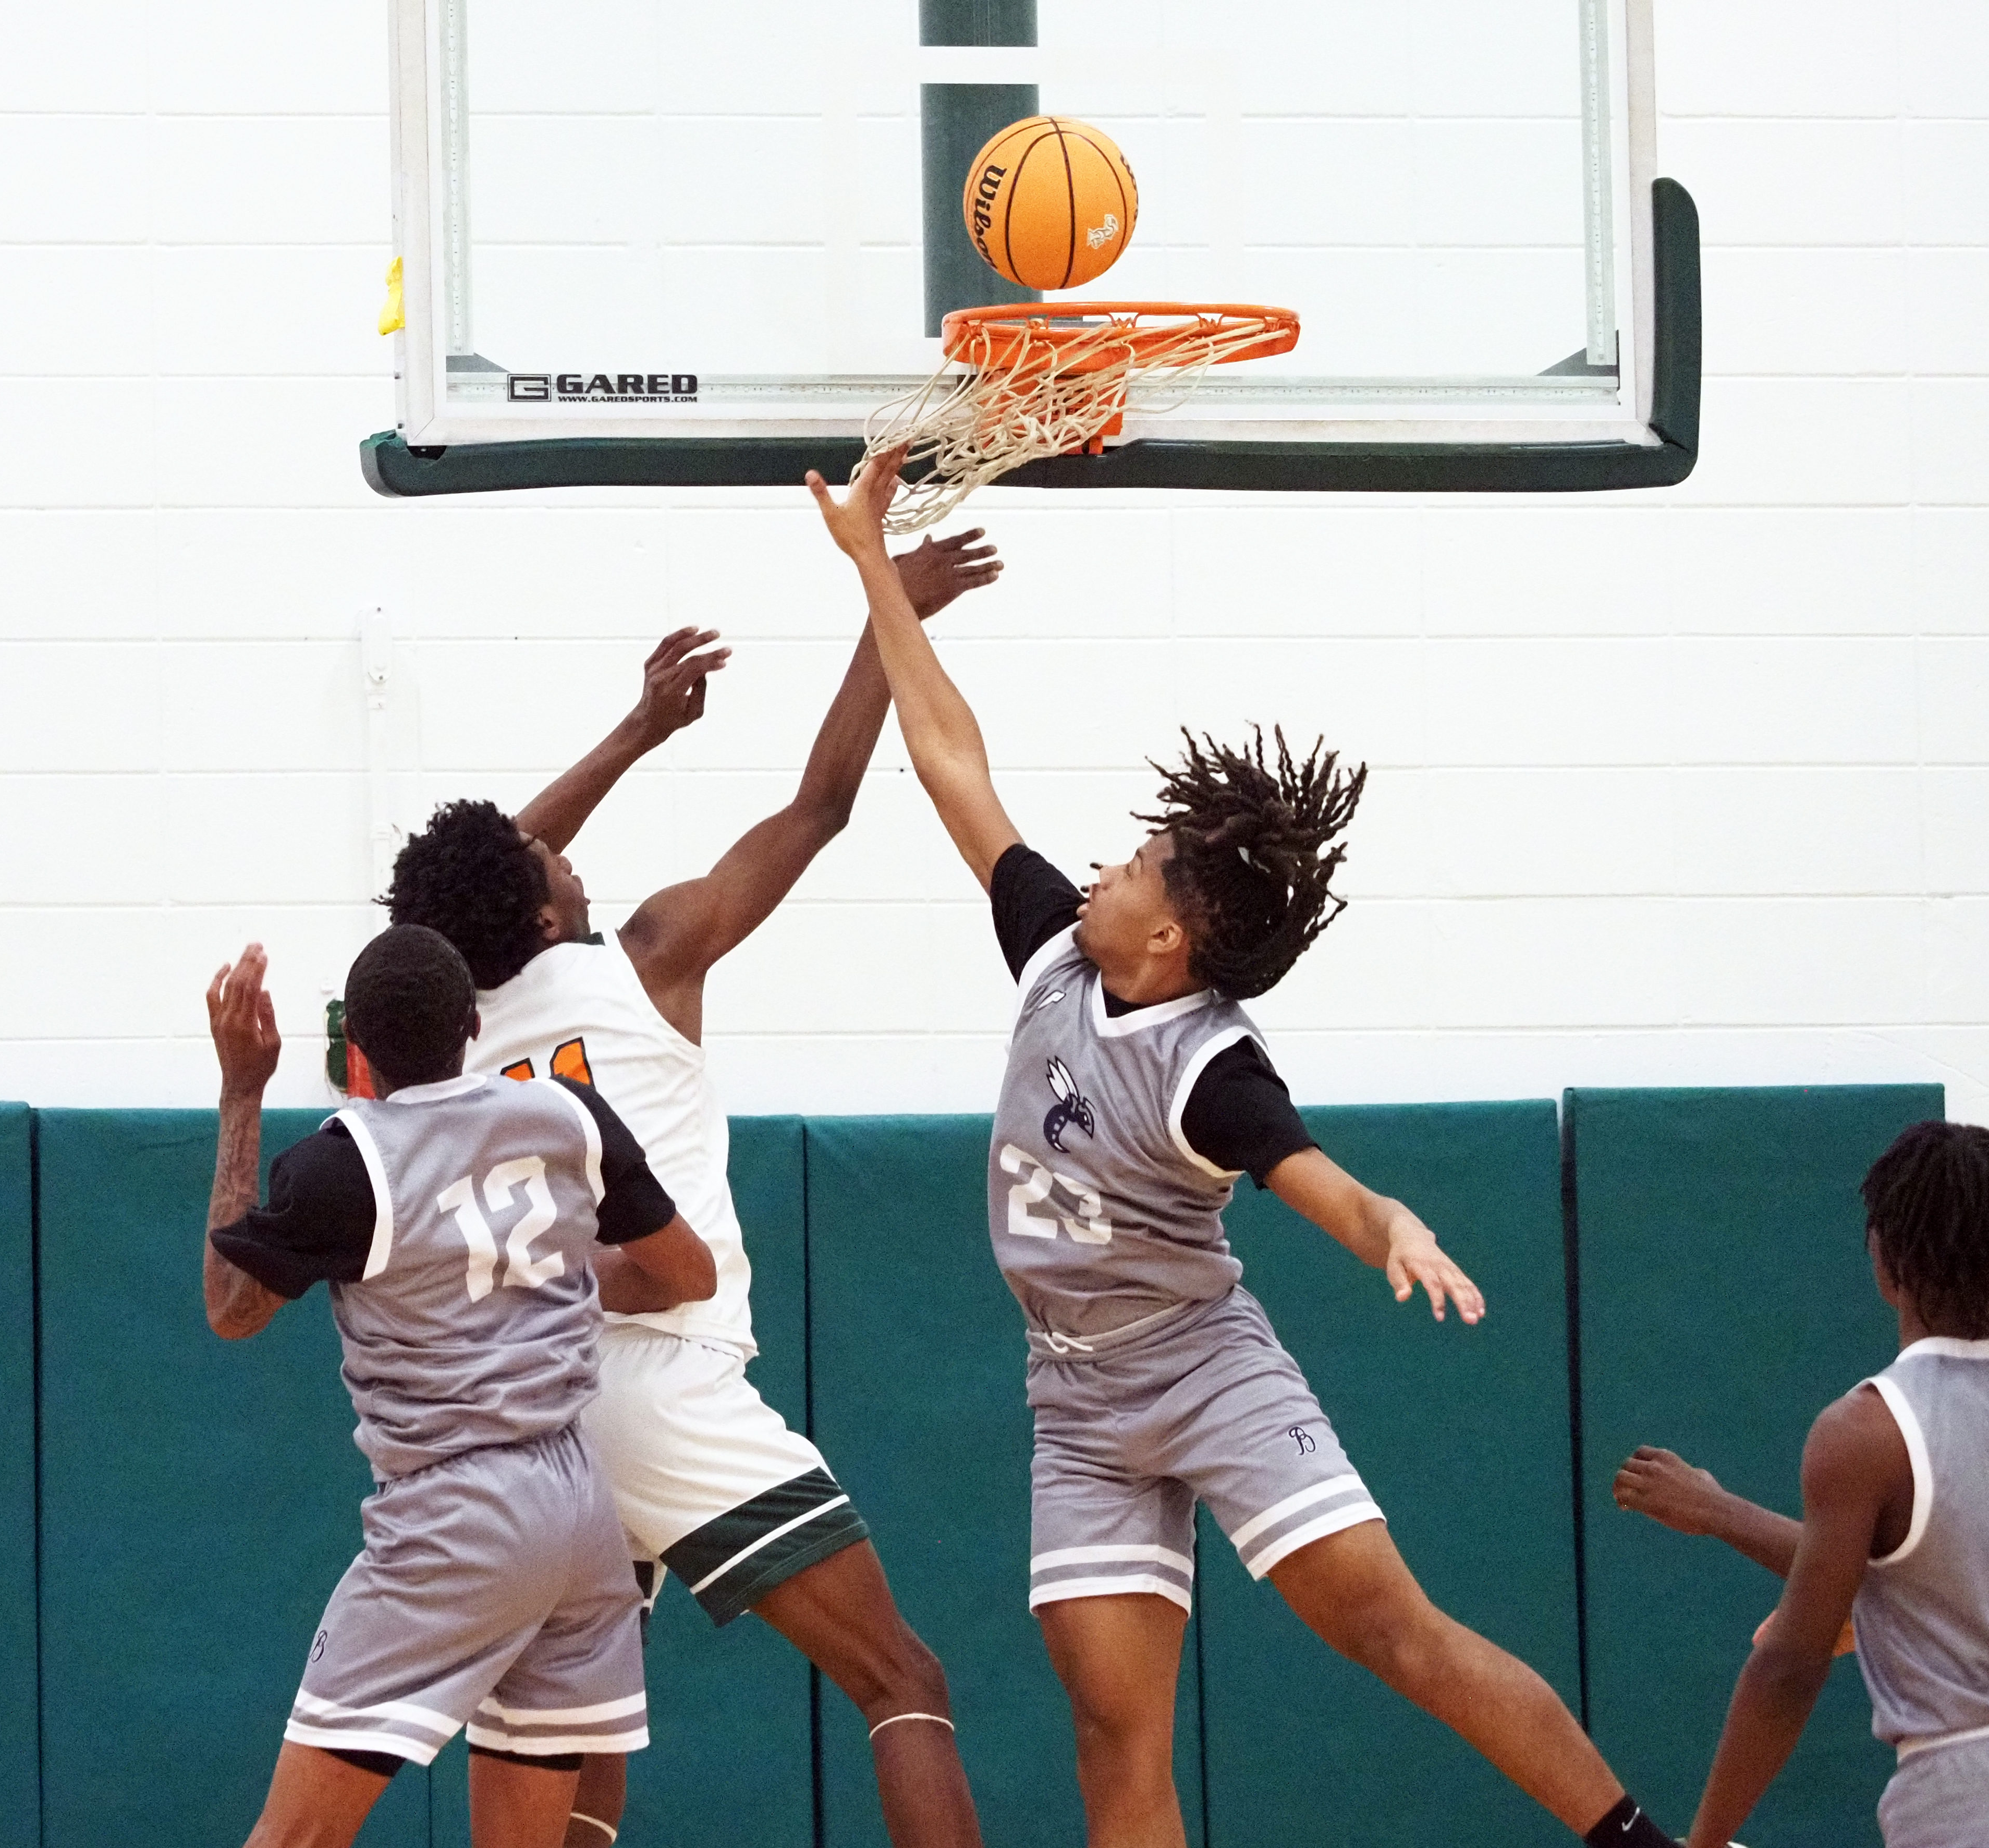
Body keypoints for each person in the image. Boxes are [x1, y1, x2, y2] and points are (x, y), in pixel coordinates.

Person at [804, 446, 1689, 1848]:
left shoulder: (1208, 1066)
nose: (1102, 862)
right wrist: (871, 564)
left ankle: (1635, 1841)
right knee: (1114, 1733)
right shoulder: (1050, 950)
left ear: (1167, 939)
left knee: (1393, 1634)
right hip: (1079, 1405)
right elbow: (950, 759)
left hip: (1206, 1373)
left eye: (1136, 865)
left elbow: (1307, 1175)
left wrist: (1386, 1225)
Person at [383, 530, 1002, 1848]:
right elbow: (822, 803)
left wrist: (633, 732)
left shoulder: (436, 1022)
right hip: (655, 1375)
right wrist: (892, 608)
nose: (567, 856)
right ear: (544, 916)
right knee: (903, 1680)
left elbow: (466, 879)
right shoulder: (651, 953)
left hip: (528, 1410)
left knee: (585, 1753)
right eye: (552, 867)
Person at [201, 927, 717, 1848]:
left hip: (455, 1514)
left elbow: (233, 1310)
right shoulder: (569, 1115)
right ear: (472, 1027)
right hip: (577, 1509)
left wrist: (243, 1090)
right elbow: (688, 1275)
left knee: (292, 1839)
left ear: (352, 1049)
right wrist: (556, 1278)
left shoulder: (342, 1162)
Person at [1616, 1120, 1989, 1848]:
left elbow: (1789, 1664)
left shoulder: (1866, 1432)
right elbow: (1911, 1571)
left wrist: (1704, 1840)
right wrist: (1722, 1513)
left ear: (1884, 1261)